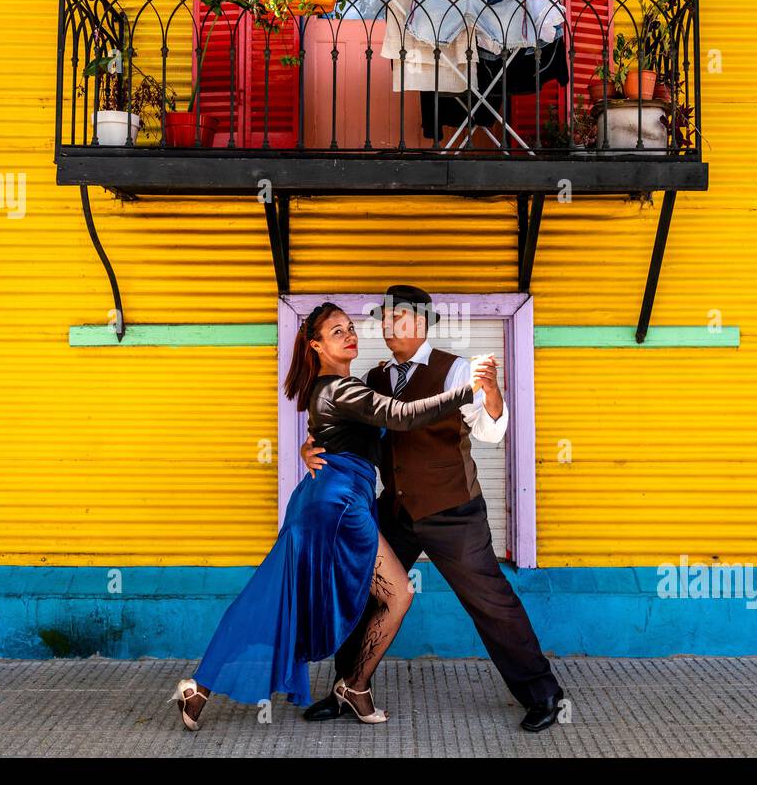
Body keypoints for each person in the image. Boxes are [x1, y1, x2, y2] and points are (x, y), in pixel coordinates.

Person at [170, 301, 498, 728]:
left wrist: (310, 447)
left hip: (328, 501)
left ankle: (200, 688)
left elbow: (338, 436)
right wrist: (467, 388)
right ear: (316, 346)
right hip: (338, 505)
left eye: (349, 328)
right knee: (395, 595)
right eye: (336, 332)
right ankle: (354, 684)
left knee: (275, 598)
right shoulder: (340, 390)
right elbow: (400, 416)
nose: (349, 335)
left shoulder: (339, 388)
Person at [300, 284, 565, 732]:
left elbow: (490, 429)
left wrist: (491, 391)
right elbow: (345, 432)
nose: (387, 325)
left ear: (421, 323)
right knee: (363, 596)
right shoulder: (373, 376)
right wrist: (310, 449)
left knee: (491, 603)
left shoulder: (456, 369)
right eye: (383, 318)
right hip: (396, 511)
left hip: (452, 512)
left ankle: (544, 696)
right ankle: (347, 686)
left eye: (397, 317)